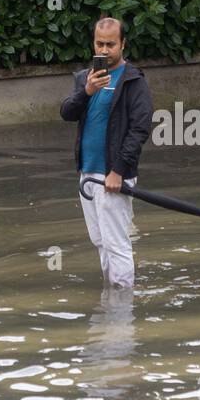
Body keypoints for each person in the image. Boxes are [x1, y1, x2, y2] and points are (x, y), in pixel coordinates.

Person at [60, 17, 153, 288]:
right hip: (87, 173)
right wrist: (87, 91)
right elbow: (67, 113)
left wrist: (118, 171)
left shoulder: (133, 81)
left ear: (123, 44)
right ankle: (110, 298)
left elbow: (139, 129)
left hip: (114, 175)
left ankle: (123, 310)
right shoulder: (84, 78)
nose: (104, 50)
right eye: (99, 44)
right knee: (99, 241)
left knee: (116, 242)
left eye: (110, 44)